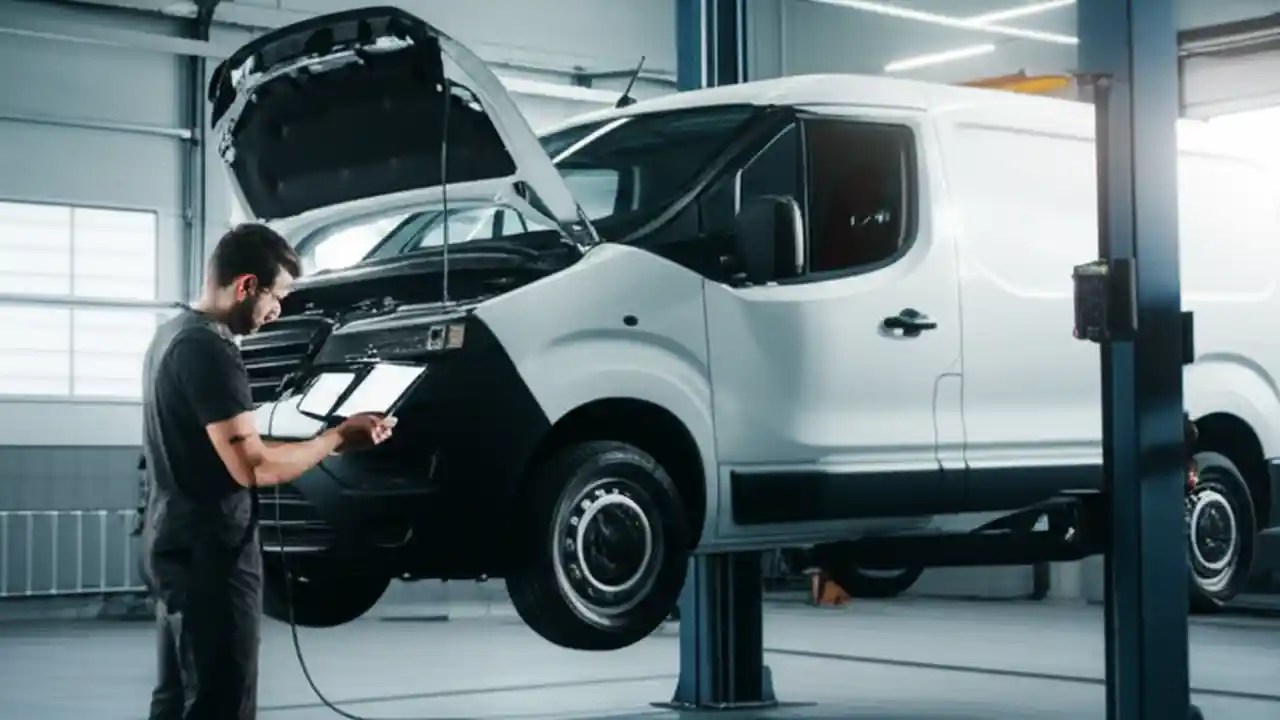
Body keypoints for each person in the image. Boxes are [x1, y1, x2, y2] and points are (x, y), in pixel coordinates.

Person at [139, 222, 394, 720]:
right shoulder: (210, 350)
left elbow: (230, 446)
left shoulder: (170, 335)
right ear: (246, 286)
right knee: (219, 703)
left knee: (175, 701)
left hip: (172, 541)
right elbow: (251, 466)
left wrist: (319, 441)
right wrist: (335, 439)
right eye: (277, 297)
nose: (278, 312)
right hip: (210, 557)